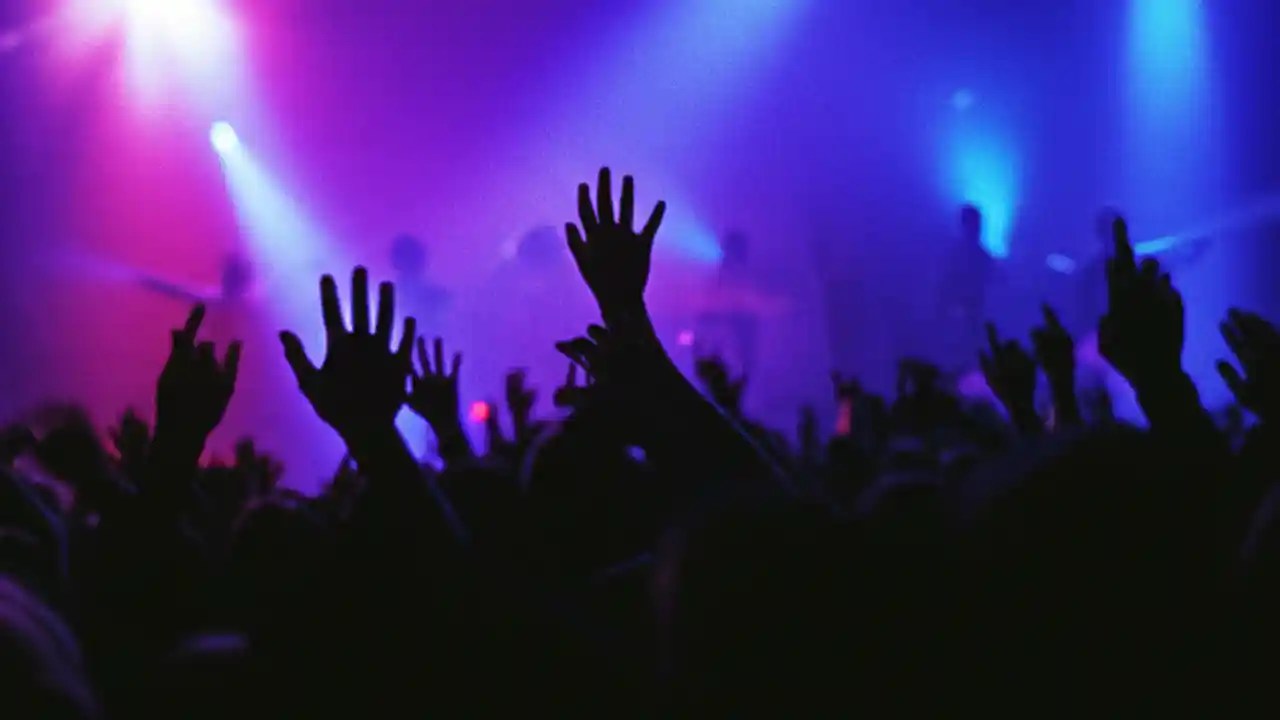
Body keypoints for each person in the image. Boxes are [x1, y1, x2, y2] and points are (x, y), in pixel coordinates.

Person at [938, 204, 996, 368]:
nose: (978, 227)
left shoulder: (979, 254)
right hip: (958, 309)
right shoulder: (957, 252)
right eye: (976, 223)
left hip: (972, 309)